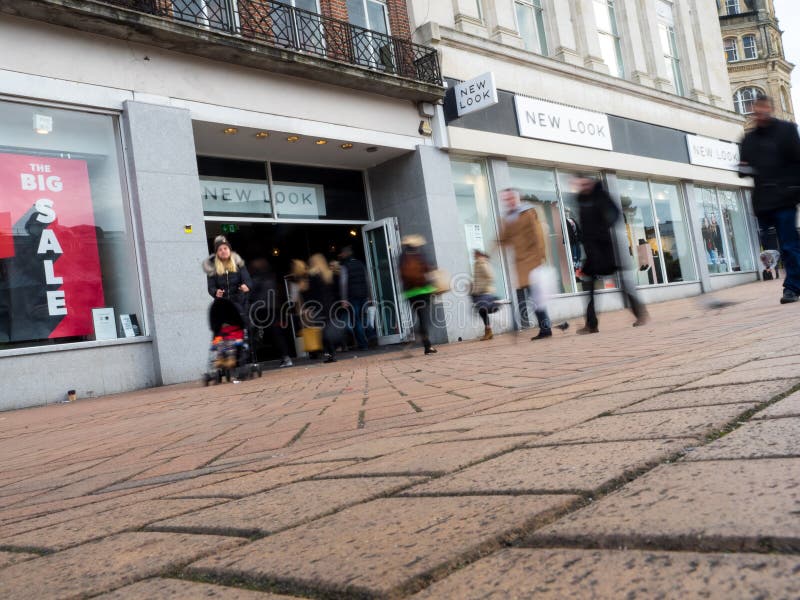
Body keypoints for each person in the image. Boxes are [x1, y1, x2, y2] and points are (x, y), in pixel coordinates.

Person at [740, 94, 800, 304]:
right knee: (772, 248)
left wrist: (794, 188)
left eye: (764, 108)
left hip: (785, 198)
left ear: (770, 109)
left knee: (788, 245)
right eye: (757, 109)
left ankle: (791, 287)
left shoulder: (787, 130)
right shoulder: (749, 138)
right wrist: (743, 167)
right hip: (763, 202)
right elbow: (743, 167)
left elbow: (797, 160)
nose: (760, 112)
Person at [573, 176, 648, 334]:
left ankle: (640, 313)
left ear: (591, 183)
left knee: (621, 284)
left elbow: (614, 215)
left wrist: (602, 227)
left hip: (606, 248)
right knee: (588, 287)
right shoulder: (581, 200)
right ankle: (591, 324)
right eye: (580, 184)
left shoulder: (601, 197)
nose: (582, 186)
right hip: (591, 250)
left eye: (585, 183)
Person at [497, 188, 561, 340]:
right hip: (521, 264)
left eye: (510, 198)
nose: (508, 201)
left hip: (532, 262)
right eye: (506, 199)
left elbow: (537, 234)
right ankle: (545, 328)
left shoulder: (528, 212)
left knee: (536, 298)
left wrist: (540, 256)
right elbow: (504, 238)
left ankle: (545, 329)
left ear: (516, 198)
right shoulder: (509, 217)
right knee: (535, 298)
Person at [249, 257, 292, 368]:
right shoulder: (270, 276)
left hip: (261, 309)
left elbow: (252, 293)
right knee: (276, 333)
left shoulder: (257, 278)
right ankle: (285, 356)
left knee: (257, 333)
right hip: (273, 307)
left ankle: (254, 359)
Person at [399, 234, 437, 355]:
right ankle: (417, 340)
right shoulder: (420, 255)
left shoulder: (402, 257)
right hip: (423, 291)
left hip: (410, 293)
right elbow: (429, 269)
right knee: (425, 320)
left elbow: (401, 275)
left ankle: (426, 344)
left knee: (421, 318)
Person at [202, 235, 252, 321]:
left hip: (240, 305)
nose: (223, 251)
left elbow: (248, 280)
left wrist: (247, 286)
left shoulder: (239, 265)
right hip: (222, 306)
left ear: (230, 251)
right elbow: (211, 287)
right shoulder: (212, 268)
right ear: (217, 253)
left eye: (225, 248)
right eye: (220, 249)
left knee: (241, 331)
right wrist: (215, 292)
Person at [306, 253, 341, 363]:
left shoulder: (312, 275)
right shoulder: (328, 274)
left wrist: (309, 307)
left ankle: (329, 353)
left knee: (322, 331)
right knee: (329, 329)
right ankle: (332, 352)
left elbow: (311, 294)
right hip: (330, 305)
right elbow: (335, 291)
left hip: (319, 306)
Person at [338, 246, 370, 351]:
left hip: (352, 296)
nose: (341, 256)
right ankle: (370, 337)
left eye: (342, 254)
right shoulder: (361, 264)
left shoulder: (344, 266)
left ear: (345, 254)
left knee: (356, 320)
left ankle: (363, 343)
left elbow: (343, 283)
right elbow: (367, 279)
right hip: (363, 295)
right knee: (363, 318)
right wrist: (369, 294)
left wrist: (343, 299)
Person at [470, 249, 497, 341]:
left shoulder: (482, 263)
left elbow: (490, 277)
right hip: (479, 292)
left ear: (478, 254)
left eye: (475, 254)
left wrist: (482, 288)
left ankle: (488, 332)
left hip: (484, 292)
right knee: (482, 312)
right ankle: (488, 331)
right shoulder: (478, 263)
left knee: (483, 311)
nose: (473, 255)